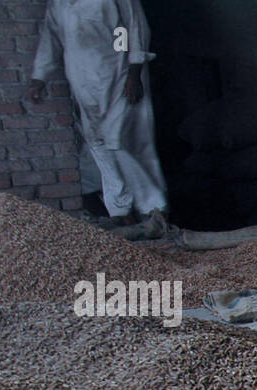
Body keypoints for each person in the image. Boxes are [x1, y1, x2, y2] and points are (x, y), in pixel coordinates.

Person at [29, 0, 168, 231]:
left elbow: (135, 27)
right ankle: (121, 210)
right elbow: (50, 38)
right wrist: (39, 77)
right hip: (83, 82)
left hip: (119, 76)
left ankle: (154, 209)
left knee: (123, 142)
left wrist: (135, 71)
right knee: (98, 144)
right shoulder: (59, 4)